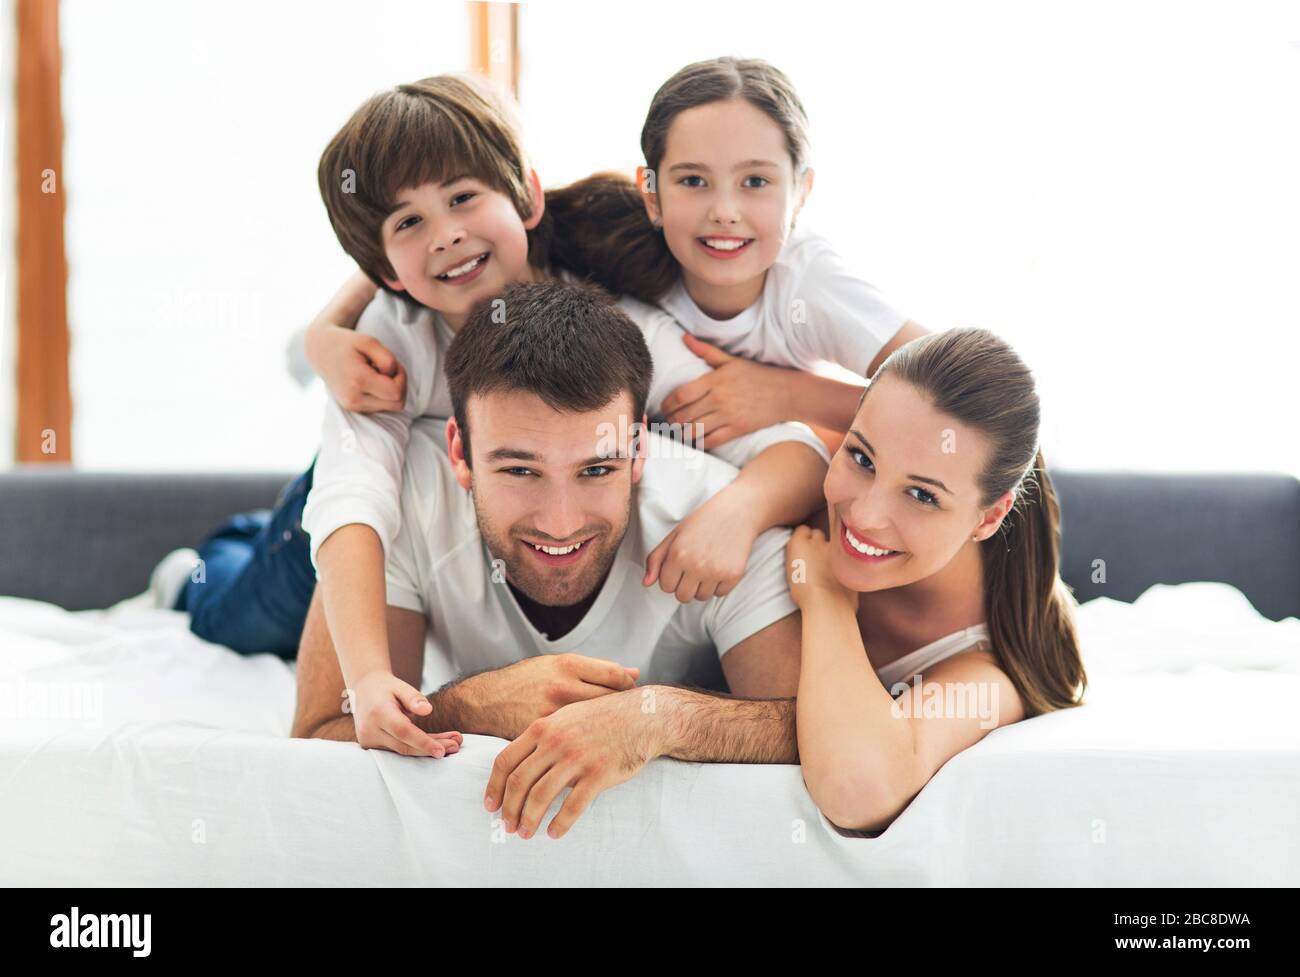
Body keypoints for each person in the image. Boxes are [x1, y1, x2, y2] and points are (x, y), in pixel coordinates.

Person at [292, 280, 808, 841]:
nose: (559, 524)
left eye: (595, 470)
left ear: (639, 451)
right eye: (519, 471)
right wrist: (467, 707)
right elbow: (319, 733)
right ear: (460, 453)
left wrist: (655, 717)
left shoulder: (722, 519)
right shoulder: (398, 503)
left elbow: (814, 727)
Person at [786, 328, 1088, 833]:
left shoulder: (991, 672)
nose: (864, 515)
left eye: (922, 496)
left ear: (988, 518)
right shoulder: (804, 470)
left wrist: (827, 601)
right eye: (862, 458)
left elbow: (857, 789)